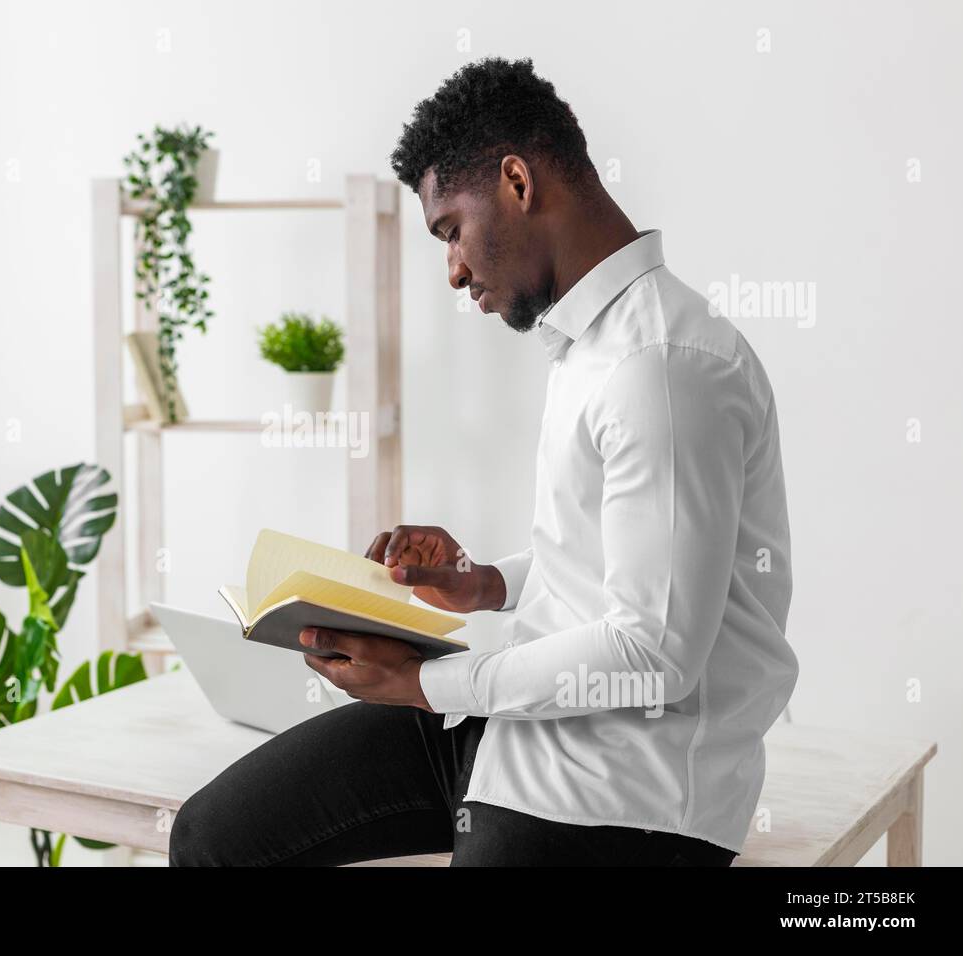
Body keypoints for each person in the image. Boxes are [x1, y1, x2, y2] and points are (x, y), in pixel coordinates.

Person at [169, 57, 798, 866]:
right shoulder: (594, 347)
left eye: (450, 230)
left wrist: (424, 684)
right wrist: (484, 584)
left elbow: (655, 652)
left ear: (516, 182)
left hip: (625, 792)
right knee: (212, 836)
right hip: (518, 730)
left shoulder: (663, 366)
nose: (456, 269)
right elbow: (622, 562)